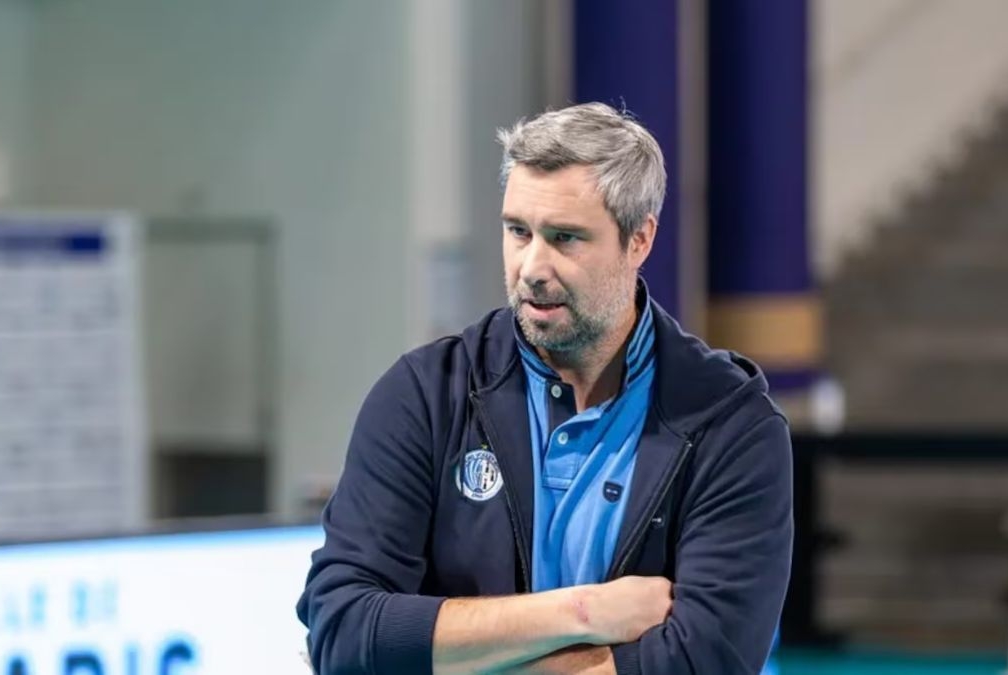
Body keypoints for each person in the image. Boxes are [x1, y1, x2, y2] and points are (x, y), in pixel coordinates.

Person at [296, 102, 793, 674]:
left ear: (639, 239)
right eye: (518, 231)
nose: (532, 265)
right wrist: (583, 613)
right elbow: (343, 635)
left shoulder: (729, 423)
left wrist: (459, 657)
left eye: (565, 238)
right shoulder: (424, 397)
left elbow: (706, 661)